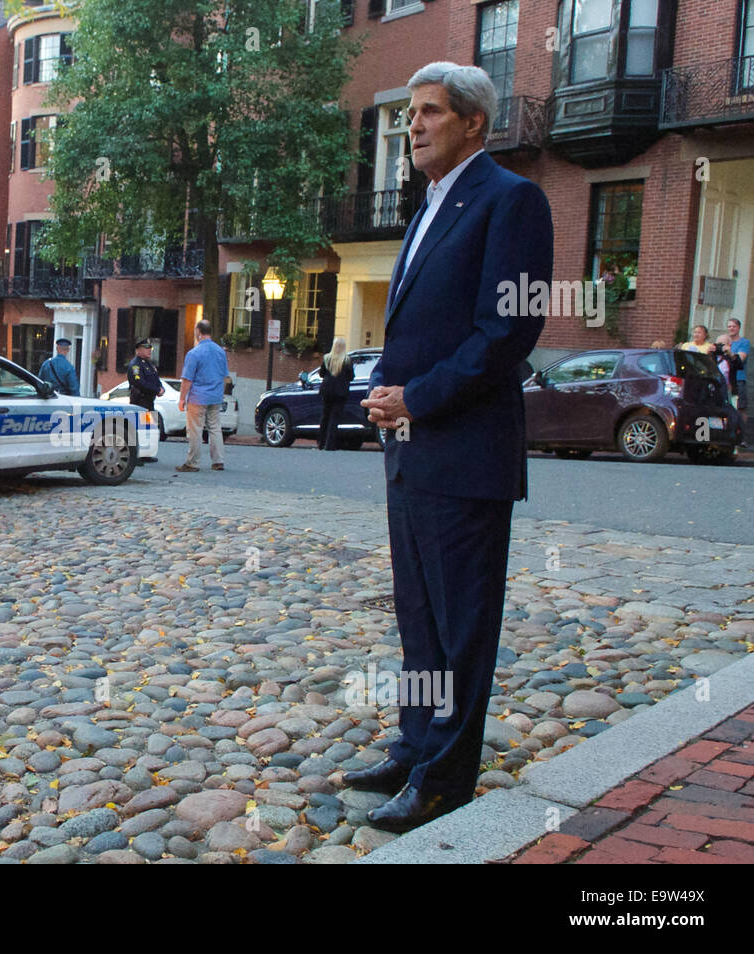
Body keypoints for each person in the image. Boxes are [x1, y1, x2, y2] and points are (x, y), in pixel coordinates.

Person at [354, 62, 553, 833]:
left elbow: (510, 331)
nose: (414, 125)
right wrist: (388, 396)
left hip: (467, 451)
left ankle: (446, 780)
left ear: (474, 121)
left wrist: (420, 396)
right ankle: (415, 744)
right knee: (420, 617)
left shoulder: (513, 201)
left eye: (430, 112)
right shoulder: (426, 208)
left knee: (462, 625)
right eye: (411, 114)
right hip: (410, 449)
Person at [176, 319, 229, 472]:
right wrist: (220, 394)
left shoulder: (194, 353)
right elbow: (225, 376)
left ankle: (193, 462)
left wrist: (182, 399)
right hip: (216, 396)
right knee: (215, 428)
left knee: (195, 430)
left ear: (198, 331)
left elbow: (187, 379)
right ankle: (218, 461)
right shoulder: (220, 351)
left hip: (198, 397)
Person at [317, 336, 354, 451]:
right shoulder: (347, 360)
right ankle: (330, 444)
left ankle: (320, 443)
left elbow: (321, 373)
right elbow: (351, 377)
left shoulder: (327, 358)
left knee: (325, 417)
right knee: (334, 418)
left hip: (327, 391)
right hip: (340, 392)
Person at [726, 318, 749, 438]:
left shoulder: (744, 342)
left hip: (738, 379)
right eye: (729, 326)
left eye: (734, 326)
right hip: (725, 380)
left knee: (740, 408)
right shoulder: (725, 343)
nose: (731, 328)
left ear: (739, 328)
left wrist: (729, 352)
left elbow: (741, 359)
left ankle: (742, 436)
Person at [125, 339, 163, 411]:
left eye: (150, 348)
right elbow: (140, 383)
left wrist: (161, 387)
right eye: (146, 348)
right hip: (140, 402)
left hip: (150, 402)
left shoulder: (149, 364)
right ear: (138, 350)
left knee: (151, 422)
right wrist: (157, 390)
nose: (149, 350)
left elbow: (156, 378)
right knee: (142, 422)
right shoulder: (135, 365)